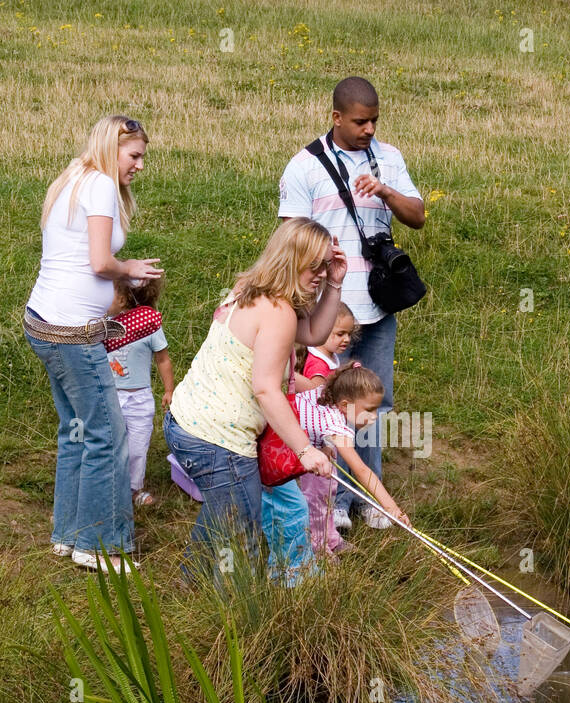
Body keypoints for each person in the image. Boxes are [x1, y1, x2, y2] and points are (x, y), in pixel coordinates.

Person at [278, 76, 425, 534]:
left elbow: (417, 216)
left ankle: (370, 495)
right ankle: (333, 498)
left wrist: (384, 191)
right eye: (360, 121)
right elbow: (291, 239)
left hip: (377, 307)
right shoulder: (303, 168)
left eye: (375, 121)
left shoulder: (389, 158)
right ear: (336, 117)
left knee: (375, 404)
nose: (369, 130)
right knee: (324, 405)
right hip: (327, 311)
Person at [163, 217, 342, 576]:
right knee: (240, 535)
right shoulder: (278, 313)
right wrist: (305, 450)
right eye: (314, 265)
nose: (321, 272)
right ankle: (233, 615)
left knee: (221, 512)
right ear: (291, 260)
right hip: (219, 439)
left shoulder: (251, 288)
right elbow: (265, 388)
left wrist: (335, 284)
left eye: (325, 264)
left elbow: (314, 332)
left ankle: (189, 582)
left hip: (184, 422)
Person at [24, 115, 163, 573]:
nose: (140, 165)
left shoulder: (74, 175)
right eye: (135, 155)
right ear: (113, 148)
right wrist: (132, 269)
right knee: (108, 433)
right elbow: (101, 262)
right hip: (72, 333)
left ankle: (68, 533)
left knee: (77, 430)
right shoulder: (101, 183)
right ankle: (99, 545)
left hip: (43, 321)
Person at [297, 364, 410, 557]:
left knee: (327, 492)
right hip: (293, 455)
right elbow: (361, 470)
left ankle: (330, 537)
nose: (374, 417)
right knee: (315, 501)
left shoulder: (328, 394)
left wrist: (321, 446)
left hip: (310, 449)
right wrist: (392, 510)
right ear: (344, 405)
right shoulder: (335, 424)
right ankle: (318, 550)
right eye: (369, 410)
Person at [106, 275, 174, 508]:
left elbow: (163, 359)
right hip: (111, 396)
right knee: (110, 444)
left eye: (109, 292)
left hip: (139, 399)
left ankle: (135, 489)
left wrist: (169, 389)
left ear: (123, 300)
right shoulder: (105, 324)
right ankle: (109, 487)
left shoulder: (148, 327)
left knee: (137, 448)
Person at [298, 302, 355, 390]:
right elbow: (318, 398)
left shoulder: (329, 357)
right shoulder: (318, 365)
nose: (347, 339)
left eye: (349, 334)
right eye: (340, 334)